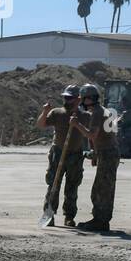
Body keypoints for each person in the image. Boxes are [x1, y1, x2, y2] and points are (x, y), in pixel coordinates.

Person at [70, 83, 119, 232]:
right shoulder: (101, 111)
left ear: (89, 99)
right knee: (100, 188)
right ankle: (98, 219)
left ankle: (101, 221)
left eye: (83, 99)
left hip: (108, 153)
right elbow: (103, 137)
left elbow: (92, 135)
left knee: (103, 189)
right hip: (107, 152)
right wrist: (95, 154)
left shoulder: (98, 112)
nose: (81, 102)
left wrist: (76, 124)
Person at [36, 84, 85, 226]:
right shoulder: (57, 113)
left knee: (72, 186)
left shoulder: (84, 116)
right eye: (65, 97)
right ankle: (49, 214)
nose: (66, 100)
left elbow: (90, 134)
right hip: (57, 153)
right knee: (53, 185)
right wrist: (45, 112)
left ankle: (69, 216)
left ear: (78, 99)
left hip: (75, 155)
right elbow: (41, 124)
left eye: (70, 98)